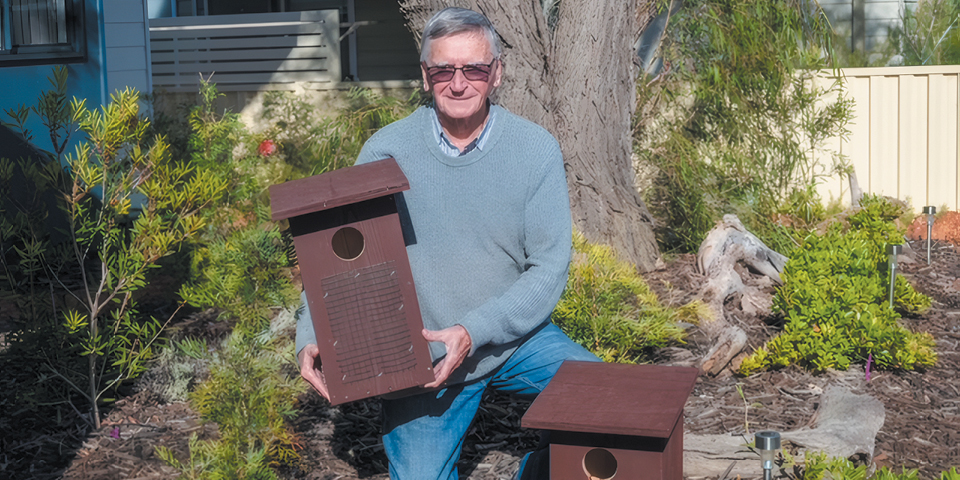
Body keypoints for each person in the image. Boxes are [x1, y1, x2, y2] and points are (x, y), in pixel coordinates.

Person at [295, 7, 599, 479]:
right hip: (425, 355)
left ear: (496, 73)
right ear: (425, 75)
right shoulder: (386, 151)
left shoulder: (534, 149)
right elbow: (336, 257)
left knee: (616, 406)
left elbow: (549, 268)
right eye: (443, 69)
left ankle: (538, 471)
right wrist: (313, 334)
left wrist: (475, 329)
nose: (459, 83)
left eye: (474, 68)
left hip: (513, 339)